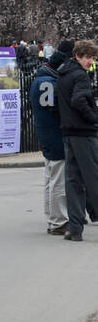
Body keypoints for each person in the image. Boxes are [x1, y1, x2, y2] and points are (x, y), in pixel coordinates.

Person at [57, 39, 98, 241]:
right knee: (94, 179)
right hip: (84, 133)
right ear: (78, 56)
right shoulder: (80, 76)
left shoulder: (63, 73)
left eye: (92, 57)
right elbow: (79, 100)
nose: (91, 61)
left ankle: (75, 229)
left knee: (73, 182)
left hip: (68, 133)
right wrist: (94, 118)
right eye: (88, 57)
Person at [30, 41, 69, 235]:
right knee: (58, 179)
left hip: (45, 132)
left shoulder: (40, 79)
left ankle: (52, 214)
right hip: (55, 134)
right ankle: (58, 221)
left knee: (50, 176)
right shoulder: (52, 82)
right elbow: (60, 110)